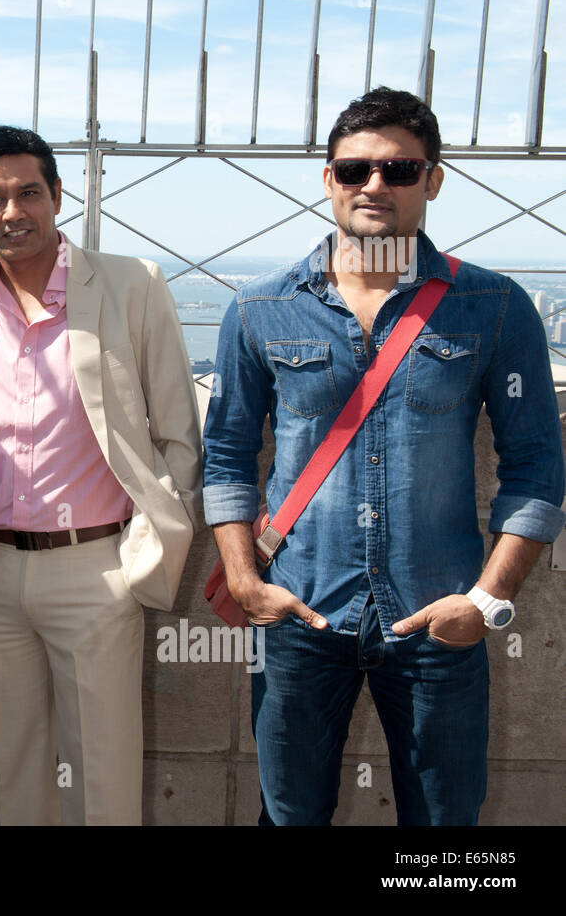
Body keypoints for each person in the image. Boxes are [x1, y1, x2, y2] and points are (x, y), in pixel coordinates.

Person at [203, 87, 565, 825]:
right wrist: (244, 580)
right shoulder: (260, 307)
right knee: (290, 816)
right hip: (301, 615)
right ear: (328, 179)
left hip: (438, 618)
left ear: (432, 180)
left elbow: (536, 465)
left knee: (443, 827)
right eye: (354, 169)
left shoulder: (493, 306)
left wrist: (485, 599)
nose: (374, 185)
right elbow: (227, 456)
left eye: (399, 170)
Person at [0, 125, 203, 825]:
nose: (13, 211)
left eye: (29, 193)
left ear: (58, 196)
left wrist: (144, 557)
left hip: (97, 570)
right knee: (19, 770)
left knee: (101, 777)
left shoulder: (132, 285)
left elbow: (177, 432)